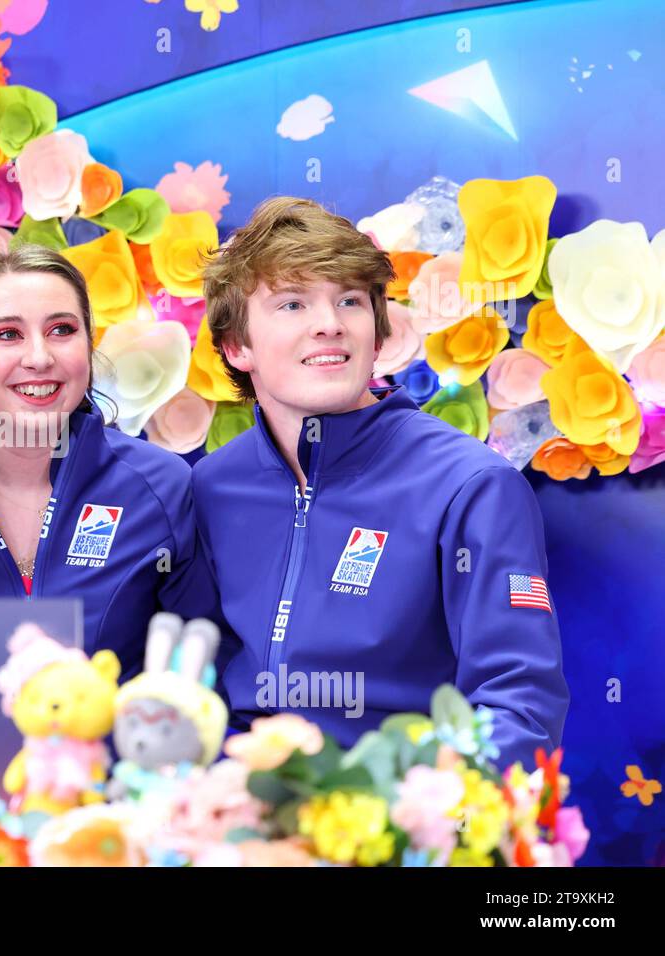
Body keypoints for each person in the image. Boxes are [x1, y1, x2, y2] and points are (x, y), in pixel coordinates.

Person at [194, 196, 568, 769]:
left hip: (401, 828)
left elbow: (519, 705)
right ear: (236, 346)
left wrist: (413, 820)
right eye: (292, 303)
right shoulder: (211, 487)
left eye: (350, 301)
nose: (329, 324)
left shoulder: (471, 485)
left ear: (378, 332)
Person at [0, 245, 217, 682]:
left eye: (62, 330)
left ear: (89, 348)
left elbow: (202, 674)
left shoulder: (161, 487)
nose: (38, 357)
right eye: (7, 334)